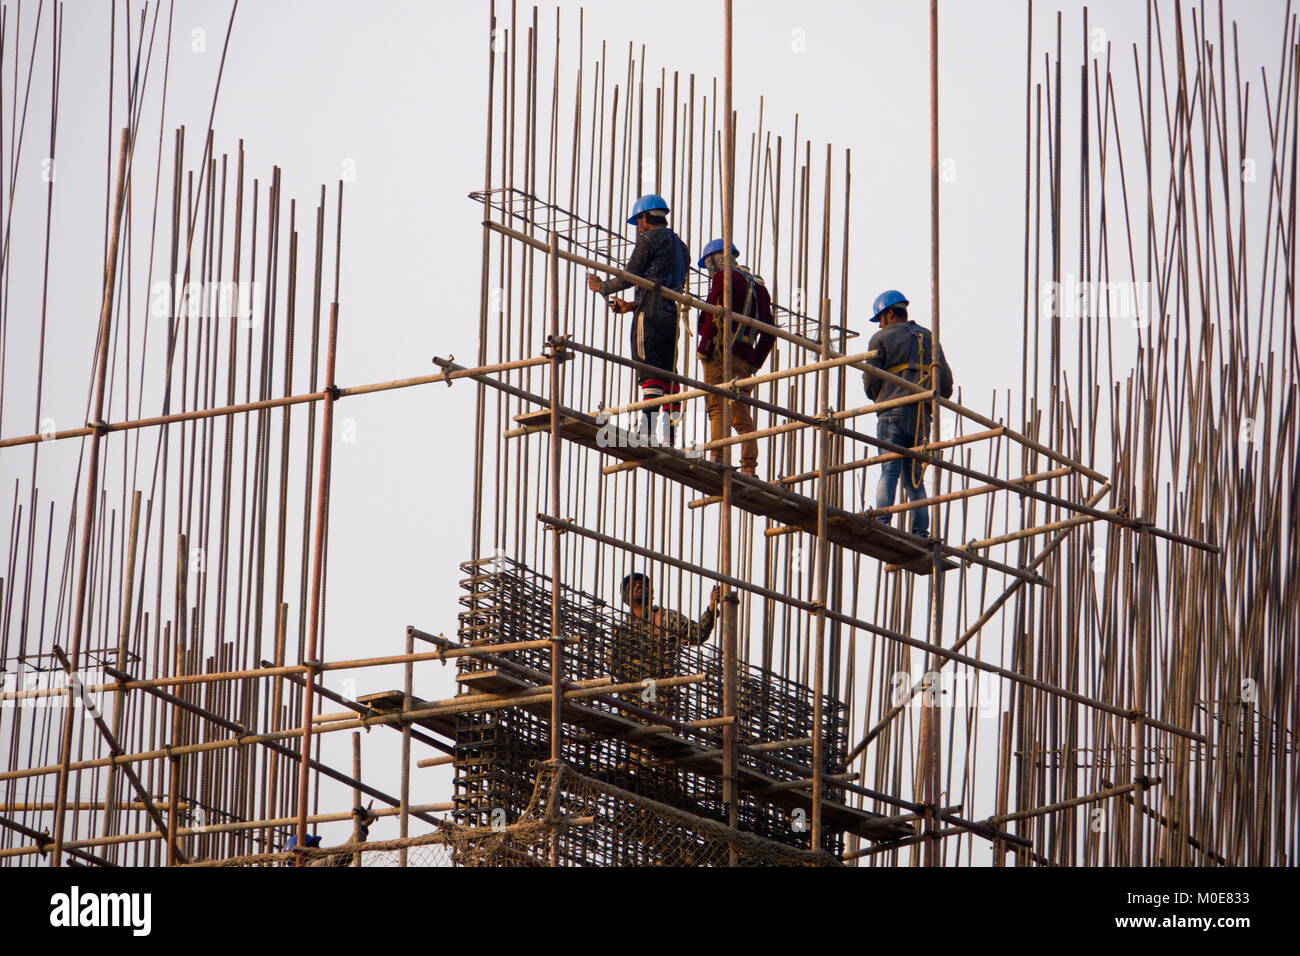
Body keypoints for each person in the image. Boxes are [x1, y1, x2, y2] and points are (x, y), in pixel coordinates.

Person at [587, 194, 690, 446]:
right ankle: (669, 437)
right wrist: (631, 305)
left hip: (650, 316)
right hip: (670, 314)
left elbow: (629, 276)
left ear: (645, 217)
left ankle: (646, 433)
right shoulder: (681, 247)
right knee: (669, 375)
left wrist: (602, 287)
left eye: (638, 221)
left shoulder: (649, 240)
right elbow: (662, 285)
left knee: (649, 370)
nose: (638, 227)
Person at [862, 289, 954, 538]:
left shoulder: (881, 338)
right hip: (921, 417)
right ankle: (921, 531)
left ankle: (882, 520)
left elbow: (870, 383)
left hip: (891, 413)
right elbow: (945, 386)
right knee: (915, 478)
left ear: (890, 313)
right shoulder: (928, 337)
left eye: (881, 317)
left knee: (889, 469)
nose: (880, 324)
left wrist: (882, 394)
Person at [695, 239, 776, 475]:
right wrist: (754, 361)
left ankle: (717, 456)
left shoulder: (724, 278)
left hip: (720, 352)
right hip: (744, 356)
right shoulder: (758, 286)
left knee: (717, 406)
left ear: (714, 260)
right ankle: (749, 466)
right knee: (741, 413)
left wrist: (705, 348)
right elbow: (770, 333)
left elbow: (714, 316)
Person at [607, 571, 719, 720]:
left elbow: (696, 635)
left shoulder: (665, 618)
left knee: (651, 727)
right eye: (633, 585)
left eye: (643, 583)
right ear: (625, 597)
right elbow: (612, 666)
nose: (639, 585)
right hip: (630, 692)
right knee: (632, 732)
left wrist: (711, 610)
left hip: (656, 687)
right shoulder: (621, 630)